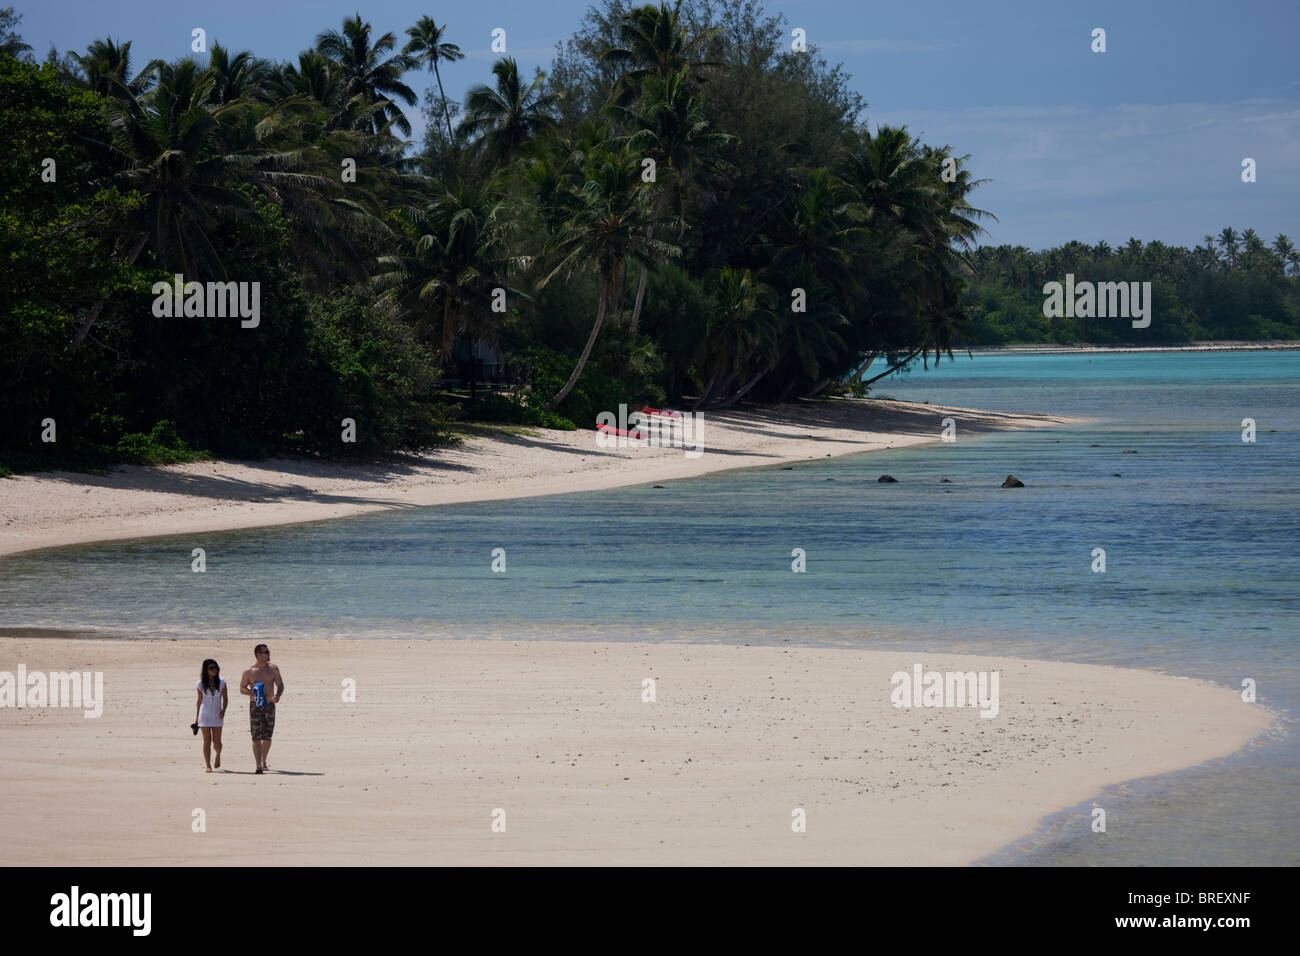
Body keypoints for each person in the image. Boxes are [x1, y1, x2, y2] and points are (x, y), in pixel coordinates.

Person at [240, 644, 283, 774]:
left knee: (268, 736)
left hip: (269, 705)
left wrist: (277, 695)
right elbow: (242, 689)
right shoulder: (249, 671)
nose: (269, 654)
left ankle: (264, 760)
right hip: (256, 706)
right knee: (256, 736)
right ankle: (258, 764)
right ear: (259, 654)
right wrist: (252, 693)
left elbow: (280, 684)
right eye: (266, 652)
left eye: (268, 651)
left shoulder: (273, 669)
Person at [194, 659, 228, 773]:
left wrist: (224, 710)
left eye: (216, 668)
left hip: (217, 714)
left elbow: (225, 698)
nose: (214, 670)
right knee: (206, 741)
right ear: (206, 670)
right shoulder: (200, 684)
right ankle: (208, 765)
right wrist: (196, 718)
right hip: (204, 715)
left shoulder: (222, 682)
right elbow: (199, 701)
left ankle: (218, 754)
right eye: (211, 668)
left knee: (217, 742)